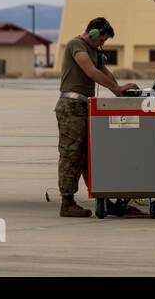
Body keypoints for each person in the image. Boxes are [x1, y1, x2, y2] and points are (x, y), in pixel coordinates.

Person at [54, 17, 138, 218]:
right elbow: (91, 71)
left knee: (89, 156)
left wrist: (119, 90)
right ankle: (67, 202)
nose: (103, 44)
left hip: (85, 105)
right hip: (71, 106)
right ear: (92, 33)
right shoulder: (77, 45)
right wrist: (115, 88)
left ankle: (103, 198)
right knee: (71, 153)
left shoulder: (94, 51)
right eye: (102, 39)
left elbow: (104, 71)